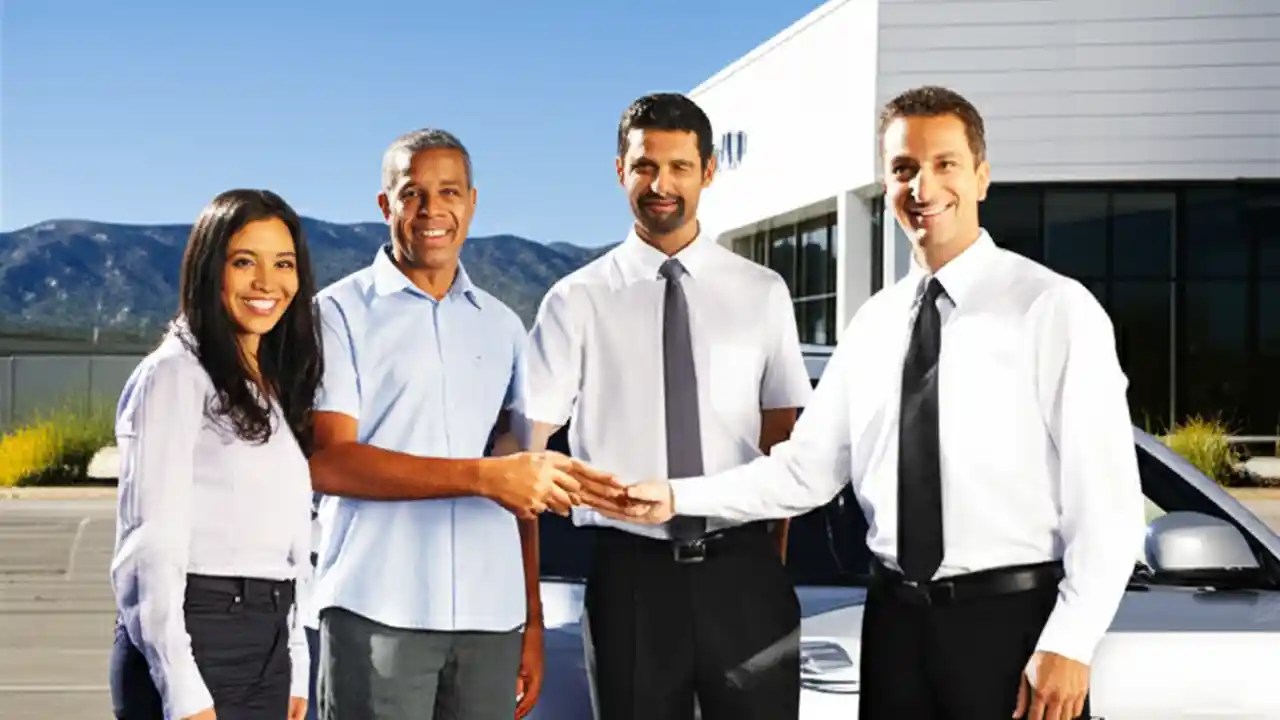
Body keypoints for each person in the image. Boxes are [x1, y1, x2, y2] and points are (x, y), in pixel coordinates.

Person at [618, 85, 1147, 720]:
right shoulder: (873, 323)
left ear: (981, 175)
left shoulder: (1053, 308)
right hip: (895, 626)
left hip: (1011, 626)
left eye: (944, 164)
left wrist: (1072, 640)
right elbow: (805, 472)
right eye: (902, 169)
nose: (922, 187)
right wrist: (678, 497)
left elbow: (1109, 499)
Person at [306, 127, 621, 720]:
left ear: (472, 203)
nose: (432, 211)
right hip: (378, 609)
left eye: (449, 192)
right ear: (385, 205)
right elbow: (330, 461)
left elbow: (519, 482)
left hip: (490, 619)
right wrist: (483, 477)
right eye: (412, 193)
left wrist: (529, 617)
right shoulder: (336, 314)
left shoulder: (503, 326)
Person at [519, 92, 813, 720]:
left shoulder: (762, 294)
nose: (661, 184)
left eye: (679, 167)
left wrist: (765, 567)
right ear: (619, 170)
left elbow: (782, 442)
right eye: (645, 166)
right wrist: (532, 614)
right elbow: (527, 456)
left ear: (709, 171)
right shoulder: (576, 301)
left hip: (745, 572)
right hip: (631, 580)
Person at [108, 189, 321, 720]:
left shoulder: (263, 386)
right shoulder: (173, 375)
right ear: (210, 270)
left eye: (284, 263)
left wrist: (294, 659)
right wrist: (182, 689)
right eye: (244, 261)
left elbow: (287, 536)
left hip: (265, 638)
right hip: (200, 638)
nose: (267, 283)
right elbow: (149, 545)